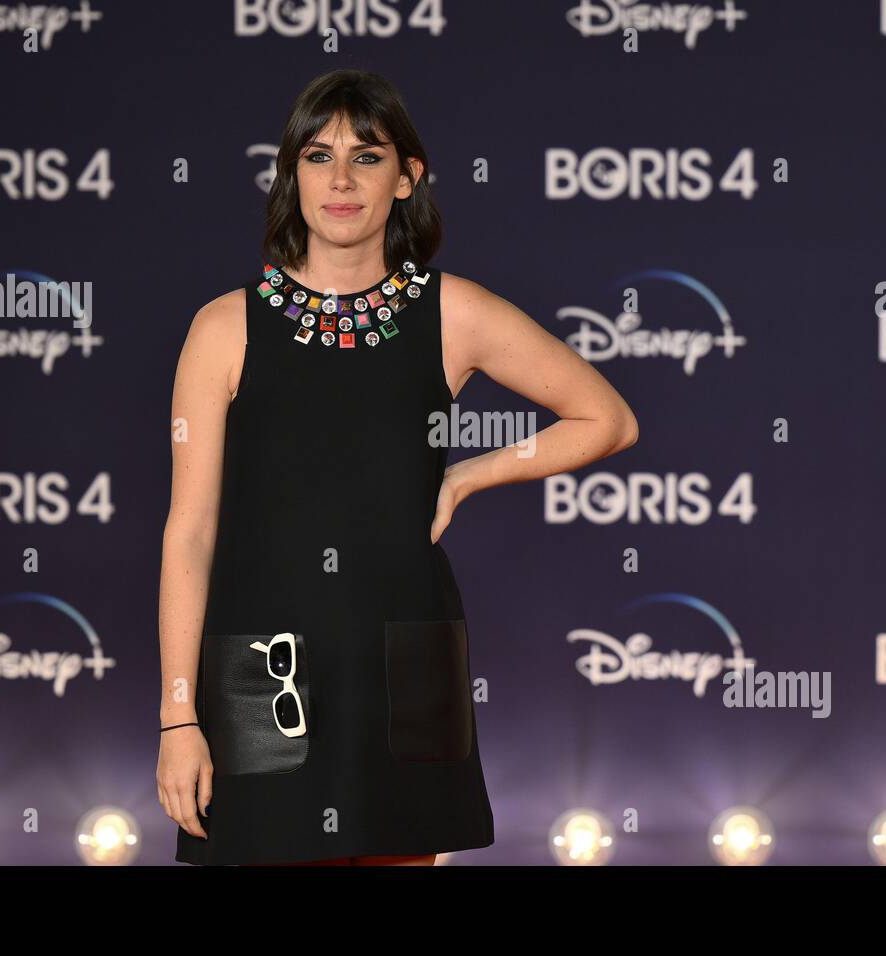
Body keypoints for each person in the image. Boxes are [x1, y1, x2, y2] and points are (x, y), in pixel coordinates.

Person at [157, 68, 638, 866]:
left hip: (403, 667)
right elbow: (191, 532)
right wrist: (179, 716)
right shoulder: (224, 328)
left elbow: (607, 419)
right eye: (318, 156)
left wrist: (473, 473)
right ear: (291, 175)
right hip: (260, 671)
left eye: (367, 157)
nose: (340, 180)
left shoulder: (453, 312)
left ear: (407, 176)